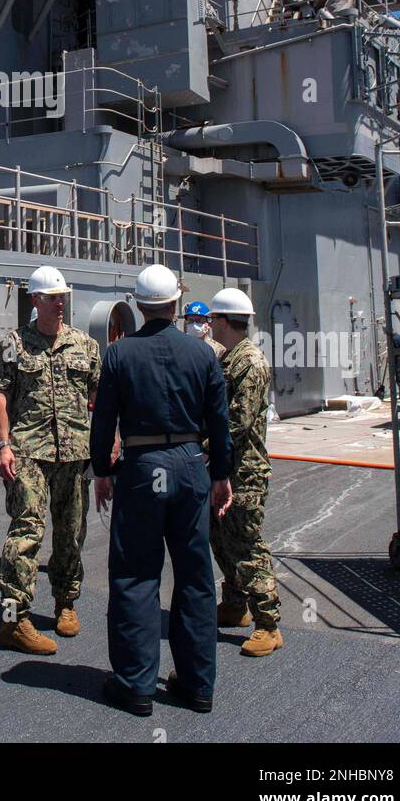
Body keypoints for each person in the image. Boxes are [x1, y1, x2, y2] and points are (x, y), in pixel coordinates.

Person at [91, 264, 233, 717]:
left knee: (135, 575)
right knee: (195, 577)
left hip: (141, 467)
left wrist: (102, 470)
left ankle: (136, 686)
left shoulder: (118, 354)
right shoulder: (204, 354)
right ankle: (198, 687)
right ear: (175, 304)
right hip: (191, 466)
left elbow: (103, 421)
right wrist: (220, 475)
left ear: (137, 304)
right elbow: (220, 424)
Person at [0, 265, 101, 655]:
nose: (60, 303)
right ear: (35, 300)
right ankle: (13, 620)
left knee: (70, 533)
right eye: (53, 297)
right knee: (26, 533)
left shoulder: (86, 346)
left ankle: (65, 603)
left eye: (62, 297)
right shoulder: (14, 344)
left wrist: (108, 444)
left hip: (73, 454)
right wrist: (3, 445)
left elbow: (98, 399)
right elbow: (2, 396)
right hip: (28, 453)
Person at [207, 287, 283, 657]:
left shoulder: (250, 363)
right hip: (225, 467)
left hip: (245, 472)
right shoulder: (229, 358)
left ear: (224, 321)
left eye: (212, 320)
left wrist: (200, 448)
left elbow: (237, 421)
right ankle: (235, 604)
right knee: (219, 538)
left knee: (247, 544)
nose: (208, 326)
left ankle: (267, 623)